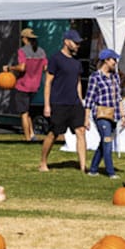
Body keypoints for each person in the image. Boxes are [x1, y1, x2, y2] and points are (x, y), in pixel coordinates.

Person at [39, 29, 87, 173]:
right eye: (75, 42)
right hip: (59, 103)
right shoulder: (55, 59)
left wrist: (80, 101)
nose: (78, 45)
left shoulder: (77, 62)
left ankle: (83, 167)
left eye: (79, 43)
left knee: (81, 131)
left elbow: (78, 82)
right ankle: (43, 162)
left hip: (75, 103)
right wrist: (47, 105)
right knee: (54, 133)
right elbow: (48, 82)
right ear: (66, 42)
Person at [85, 48, 122, 178]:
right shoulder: (95, 77)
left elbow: (118, 98)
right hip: (100, 114)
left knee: (104, 142)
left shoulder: (115, 76)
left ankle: (93, 169)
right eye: (113, 59)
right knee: (107, 141)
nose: (115, 62)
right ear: (106, 60)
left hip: (113, 114)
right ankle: (110, 172)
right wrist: (86, 118)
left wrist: (123, 115)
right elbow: (89, 99)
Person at [10, 28, 47, 141]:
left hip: (23, 85)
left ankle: (27, 138)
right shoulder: (41, 51)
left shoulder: (22, 51)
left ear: (25, 39)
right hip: (35, 86)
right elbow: (45, 68)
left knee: (24, 113)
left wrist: (10, 68)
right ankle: (31, 135)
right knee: (28, 111)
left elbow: (22, 67)